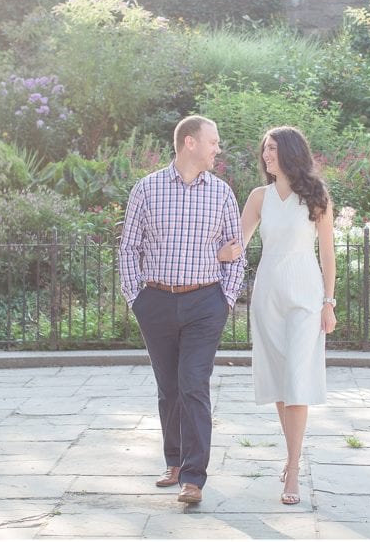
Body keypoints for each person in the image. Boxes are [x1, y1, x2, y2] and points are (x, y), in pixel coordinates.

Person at [118, 115, 246, 506]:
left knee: (193, 382)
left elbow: (236, 251)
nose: (218, 148)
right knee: (168, 387)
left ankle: (193, 478)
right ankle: (173, 461)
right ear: (190, 142)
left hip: (205, 303)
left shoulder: (222, 193)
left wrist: (225, 299)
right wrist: (135, 298)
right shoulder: (147, 188)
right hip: (156, 301)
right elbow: (129, 247)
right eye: (213, 141)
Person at [218, 125, 336, 506]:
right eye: (264, 149)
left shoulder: (316, 196)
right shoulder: (259, 197)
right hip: (268, 295)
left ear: (290, 152)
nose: (266, 155)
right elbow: (237, 243)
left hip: (306, 295)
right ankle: (291, 456)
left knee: (297, 380)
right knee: (280, 381)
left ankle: (294, 467)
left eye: (272, 149)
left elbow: (327, 254)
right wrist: (218, 253)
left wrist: (329, 302)